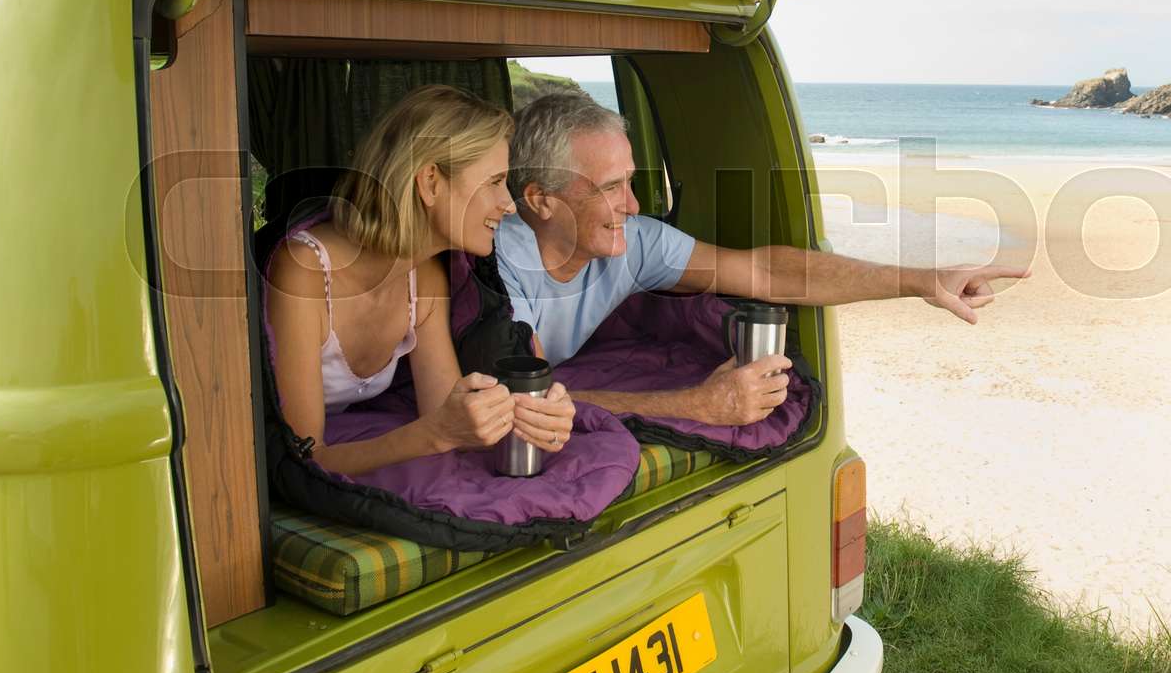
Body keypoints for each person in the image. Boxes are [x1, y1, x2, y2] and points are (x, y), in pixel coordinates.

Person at [496, 91, 1029, 427]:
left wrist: (923, 281)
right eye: (610, 188)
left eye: (631, 183)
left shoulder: (633, 242)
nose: (632, 206)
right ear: (542, 200)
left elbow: (769, 271)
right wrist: (696, 404)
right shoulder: (496, 267)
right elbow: (527, 403)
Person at [265, 85, 575, 475]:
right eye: (494, 182)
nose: (509, 204)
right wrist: (436, 434)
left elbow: (448, 413)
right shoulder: (303, 271)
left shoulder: (424, 277)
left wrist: (536, 414)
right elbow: (304, 459)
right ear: (430, 181)